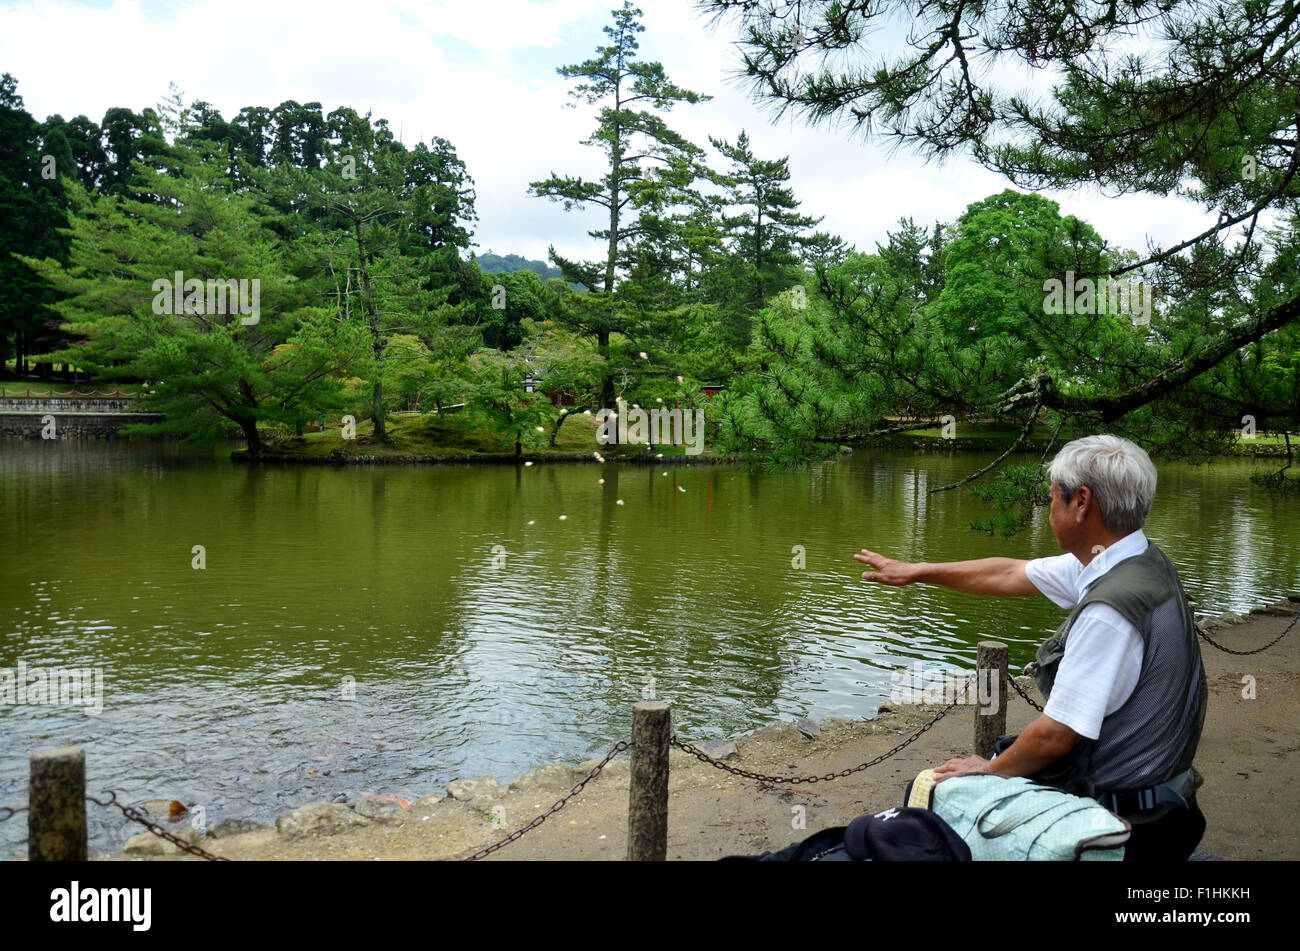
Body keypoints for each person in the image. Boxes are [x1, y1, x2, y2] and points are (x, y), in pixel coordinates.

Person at [855, 434, 1208, 861]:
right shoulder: (1137, 561)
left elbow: (1053, 737)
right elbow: (1010, 573)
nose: (1047, 511)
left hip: (1122, 827)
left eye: (1051, 499)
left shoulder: (1108, 612)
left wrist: (988, 771)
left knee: (932, 793)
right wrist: (916, 571)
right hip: (1164, 799)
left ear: (1080, 502)